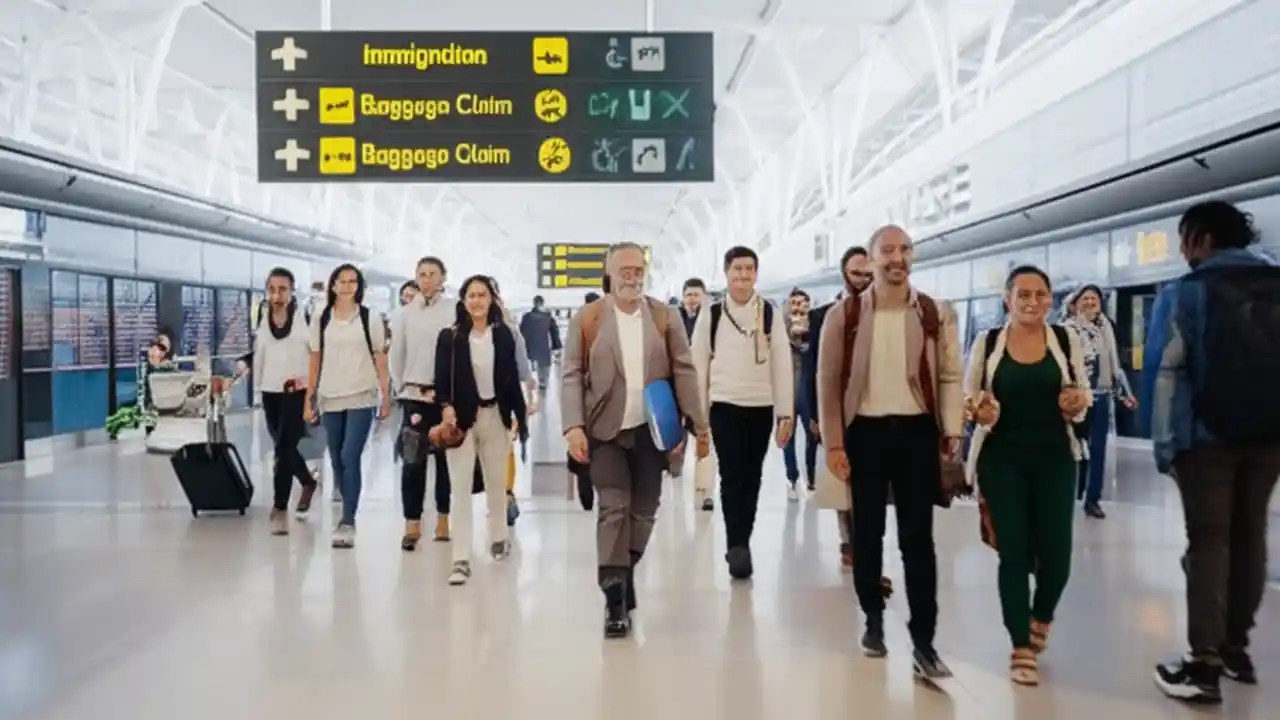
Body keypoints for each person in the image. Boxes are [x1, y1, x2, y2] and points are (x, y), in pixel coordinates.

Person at [1146, 201, 1280, 704]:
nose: (1182, 250)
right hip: (1269, 436)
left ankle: (1203, 665)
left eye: (1184, 239)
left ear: (1202, 239)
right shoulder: (1275, 284)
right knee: (1251, 536)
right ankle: (1236, 652)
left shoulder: (1186, 293)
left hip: (1205, 440)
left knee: (1208, 542)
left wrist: (1166, 449)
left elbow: (1167, 372)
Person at [816, 225, 963, 680]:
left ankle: (924, 641)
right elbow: (827, 380)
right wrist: (835, 442)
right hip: (865, 435)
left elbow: (949, 375)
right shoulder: (846, 315)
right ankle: (873, 619)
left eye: (905, 250)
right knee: (868, 534)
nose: (897, 258)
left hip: (918, 433)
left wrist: (952, 429)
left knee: (919, 539)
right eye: (888, 250)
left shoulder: (935, 313)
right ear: (872, 258)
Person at [562, 242, 709, 638]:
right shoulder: (589, 319)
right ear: (609, 272)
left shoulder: (664, 316)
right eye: (623, 269)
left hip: (652, 433)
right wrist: (573, 426)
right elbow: (572, 374)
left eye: (637, 269)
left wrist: (698, 425)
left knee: (644, 510)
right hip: (604, 431)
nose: (632, 276)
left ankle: (624, 572)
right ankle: (613, 598)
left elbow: (685, 370)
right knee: (613, 507)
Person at [966, 265, 1091, 686]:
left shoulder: (1064, 340)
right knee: (1014, 553)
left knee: (1058, 559)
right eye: (1023, 294)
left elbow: (1082, 393)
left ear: (1051, 299)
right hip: (1002, 461)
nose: (1032, 302)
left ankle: (1042, 616)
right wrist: (979, 411)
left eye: (1040, 294)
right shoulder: (987, 343)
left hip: (1056, 458)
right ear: (1008, 299)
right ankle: (1020, 643)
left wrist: (1077, 403)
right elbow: (970, 400)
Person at [692, 246, 793, 580]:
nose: (743, 275)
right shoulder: (713, 313)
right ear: (726, 273)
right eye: (737, 269)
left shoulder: (769, 313)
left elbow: (781, 364)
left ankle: (743, 539)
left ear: (756, 274)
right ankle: (736, 544)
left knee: (753, 477)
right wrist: (698, 414)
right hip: (724, 405)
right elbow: (698, 363)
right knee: (732, 475)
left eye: (749, 269)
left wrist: (785, 413)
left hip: (760, 406)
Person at [435, 275, 529, 586]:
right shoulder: (450, 337)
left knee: (496, 482)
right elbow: (441, 380)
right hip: (462, 420)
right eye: (471, 295)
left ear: (492, 300)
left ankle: (499, 537)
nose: (477, 301)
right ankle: (460, 557)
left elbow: (512, 378)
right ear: (463, 301)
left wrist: (520, 415)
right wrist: (446, 407)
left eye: (482, 295)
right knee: (459, 488)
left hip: (495, 416)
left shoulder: (505, 335)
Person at [305, 263, 391, 549]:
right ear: (333, 285)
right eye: (341, 281)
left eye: (352, 281)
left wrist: (385, 395)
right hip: (330, 395)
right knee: (337, 457)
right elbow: (315, 358)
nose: (346, 286)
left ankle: (348, 521)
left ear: (359, 286)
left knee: (350, 454)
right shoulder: (321, 317)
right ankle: (346, 503)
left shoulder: (370, 317)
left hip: (362, 394)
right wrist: (310, 396)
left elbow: (380, 357)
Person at [804, 246, 873, 567]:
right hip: (838, 412)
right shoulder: (824, 316)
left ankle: (863, 546)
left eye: (868, 274)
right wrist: (815, 413)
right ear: (844, 274)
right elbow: (812, 369)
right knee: (844, 477)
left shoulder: (889, 316)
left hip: (877, 410)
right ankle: (851, 543)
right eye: (856, 273)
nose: (862, 281)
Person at [248, 268, 320, 536]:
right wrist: (255, 386)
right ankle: (307, 481)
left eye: (283, 289)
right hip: (270, 391)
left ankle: (280, 508)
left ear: (292, 291)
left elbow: (315, 355)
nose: (277, 295)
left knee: (283, 448)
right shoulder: (261, 317)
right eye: (272, 289)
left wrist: (312, 395)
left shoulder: (306, 319)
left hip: (296, 391)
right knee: (284, 446)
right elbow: (260, 352)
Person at [390, 257, 455, 549]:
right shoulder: (404, 314)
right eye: (421, 274)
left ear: (443, 278)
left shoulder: (454, 310)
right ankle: (411, 523)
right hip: (414, 396)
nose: (426, 279)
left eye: (432, 274)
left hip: (445, 399)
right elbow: (397, 355)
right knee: (412, 461)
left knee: (446, 460)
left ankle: (443, 518)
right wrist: (402, 385)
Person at [1060, 285, 1136, 519]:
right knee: (1074, 448)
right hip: (1077, 398)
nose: (1091, 302)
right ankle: (1071, 494)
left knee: (1099, 450)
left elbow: (1114, 365)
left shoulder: (1106, 328)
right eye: (1086, 298)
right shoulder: (1068, 329)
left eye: (1095, 299)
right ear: (1075, 303)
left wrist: (1125, 394)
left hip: (1101, 396)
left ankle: (1092, 499)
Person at [783, 288, 817, 500]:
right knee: (788, 436)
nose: (798, 306)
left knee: (813, 433)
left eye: (802, 302)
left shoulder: (815, 328)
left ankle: (811, 476)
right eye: (794, 302)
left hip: (807, 390)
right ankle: (792, 478)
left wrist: (806, 337)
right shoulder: (779, 332)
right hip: (786, 391)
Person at [519, 295, 562, 390]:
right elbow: (554, 332)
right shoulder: (548, 317)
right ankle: (542, 381)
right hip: (543, 343)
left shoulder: (526, 316)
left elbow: (520, 331)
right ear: (542, 303)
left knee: (528, 360)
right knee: (544, 363)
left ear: (534, 303)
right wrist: (556, 346)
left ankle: (527, 379)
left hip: (529, 343)